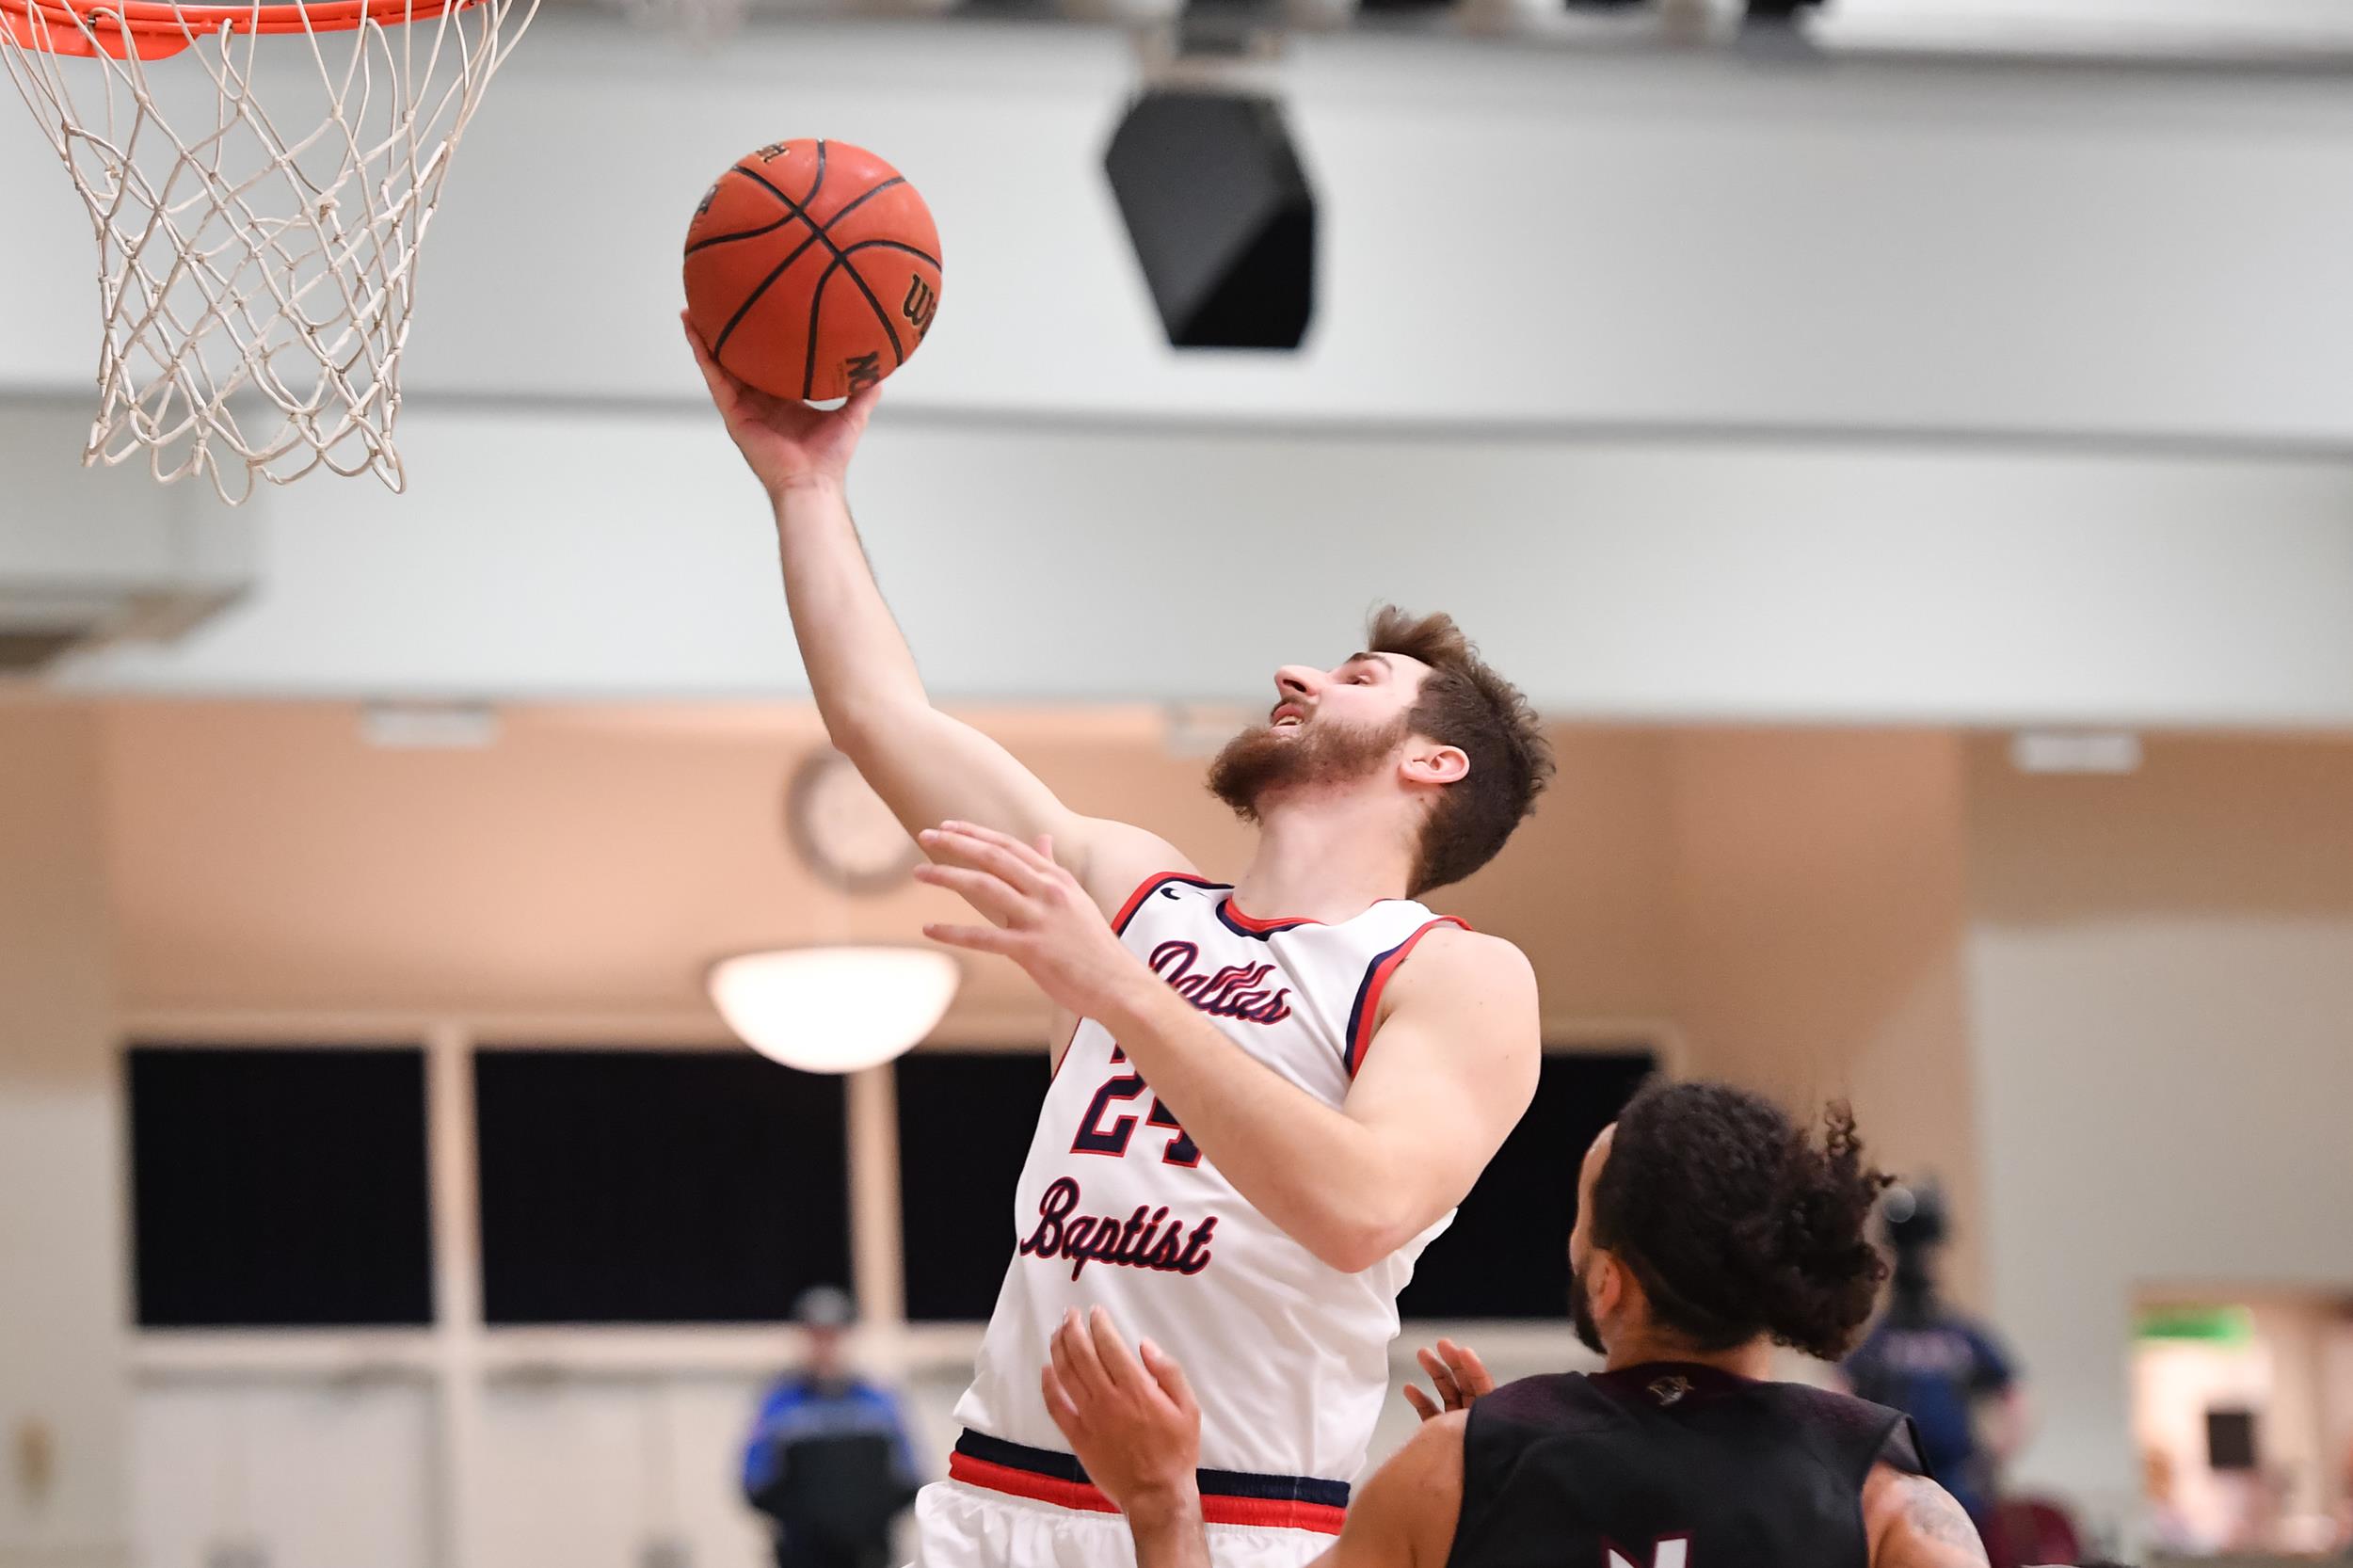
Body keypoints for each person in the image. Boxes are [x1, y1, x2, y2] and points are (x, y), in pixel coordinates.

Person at [685, 325, 1554, 1568]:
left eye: (1357, 675)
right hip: (991, 1503)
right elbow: (880, 714)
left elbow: (1358, 1208)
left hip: (1235, 1520)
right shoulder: (1131, 886)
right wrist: (806, 489)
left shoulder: (1453, 971)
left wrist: (1118, 991)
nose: (1295, 673)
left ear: (1434, 762)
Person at [1040, 1080, 1993, 1568]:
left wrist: (1161, 1501)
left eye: (1579, 1218)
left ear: (1608, 1283)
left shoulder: (1454, 1468)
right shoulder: (1884, 1491)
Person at [1841, 1184, 2029, 1538]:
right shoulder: (1878, 1339)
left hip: (1960, 1487)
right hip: (1896, 1486)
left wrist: (1993, 1459)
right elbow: (1841, 1393)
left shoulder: (1962, 1333)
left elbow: (2015, 1395)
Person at [742, 1287, 923, 1568]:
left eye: (833, 1335)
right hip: (801, 1556)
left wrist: (867, 1522)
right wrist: (803, 1522)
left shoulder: (879, 1403)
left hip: (868, 1554)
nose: (825, 1347)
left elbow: (910, 1476)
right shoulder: (780, 1404)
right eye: (816, 1336)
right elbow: (754, 1480)